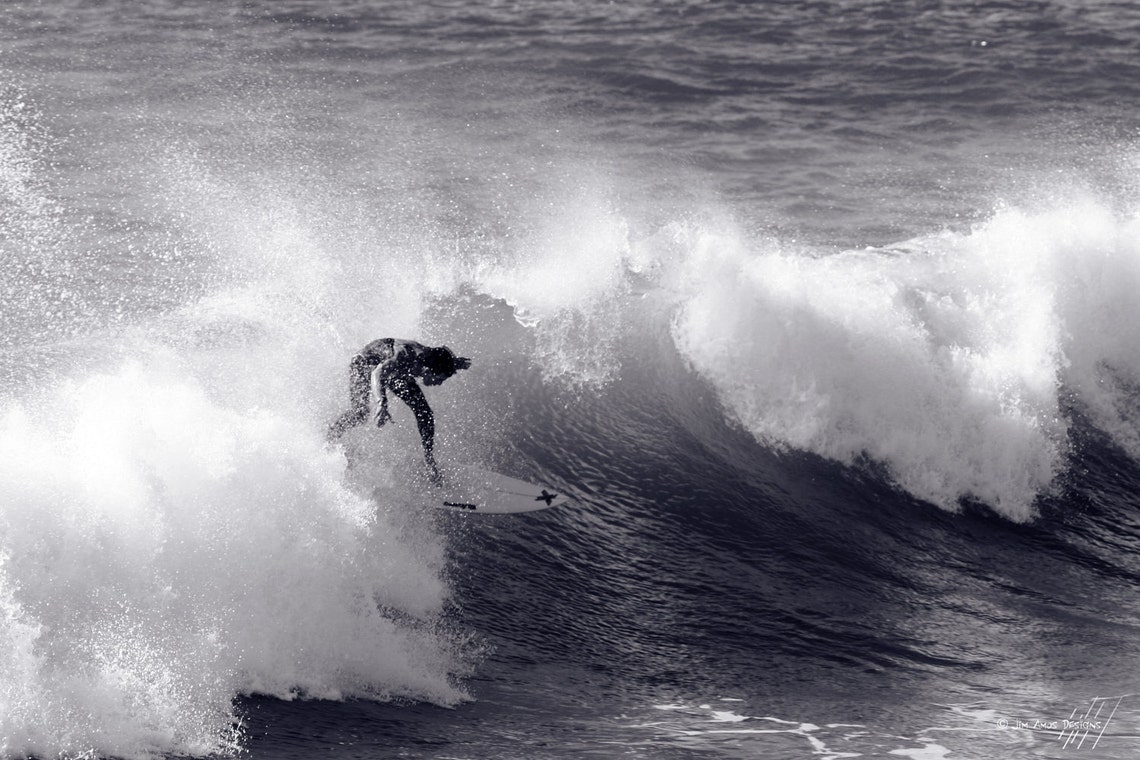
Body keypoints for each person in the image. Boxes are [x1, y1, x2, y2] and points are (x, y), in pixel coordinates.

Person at [327, 338, 471, 482]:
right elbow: (377, 373)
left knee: (424, 412)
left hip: (395, 372)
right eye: (439, 379)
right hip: (365, 364)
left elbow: (441, 351)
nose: (439, 383)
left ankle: (429, 460)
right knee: (360, 413)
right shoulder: (404, 355)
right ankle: (331, 436)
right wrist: (381, 403)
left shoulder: (431, 358)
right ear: (428, 370)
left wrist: (454, 363)